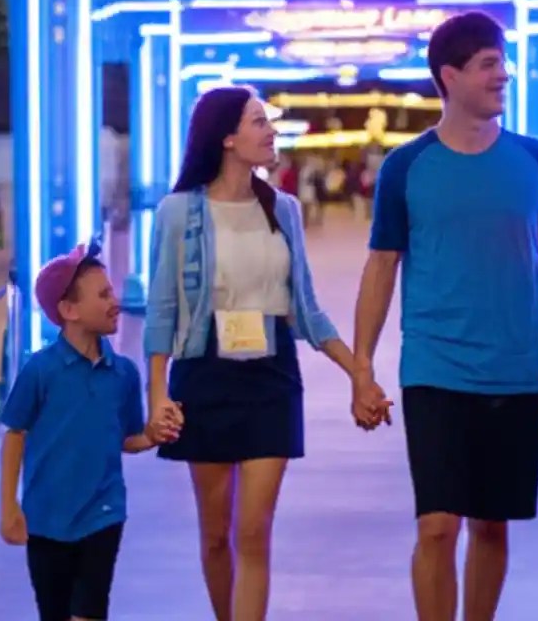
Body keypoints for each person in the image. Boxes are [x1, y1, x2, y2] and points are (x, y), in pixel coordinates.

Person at [351, 11, 538, 621]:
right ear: (449, 77)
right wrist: (361, 368)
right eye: (488, 65)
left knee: (491, 526)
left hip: (513, 370)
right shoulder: (406, 167)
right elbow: (381, 266)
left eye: (503, 63)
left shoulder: (536, 160)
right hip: (435, 367)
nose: (502, 76)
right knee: (436, 525)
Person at [143, 85, 393, 621]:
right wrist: (157, 392)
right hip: (203, 374)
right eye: (259, 122)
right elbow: (162, 309)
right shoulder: (177, 212)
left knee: (253, 532)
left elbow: (307, 310)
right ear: (227, 137)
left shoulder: (283, 209)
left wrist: (359, 374)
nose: (271, 131)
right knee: (216, 535)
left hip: (272, 376)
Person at [0, 240, 176, 621]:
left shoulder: (124, 373)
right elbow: (14, 434)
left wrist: (152, 435)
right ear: (69, 310)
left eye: (112, 292)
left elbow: (127, 437)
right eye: (103, 295)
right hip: (46, 520)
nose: (115, 302)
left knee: (90, 611)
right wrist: (8, 505)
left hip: (103, 514)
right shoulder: (40, 371)